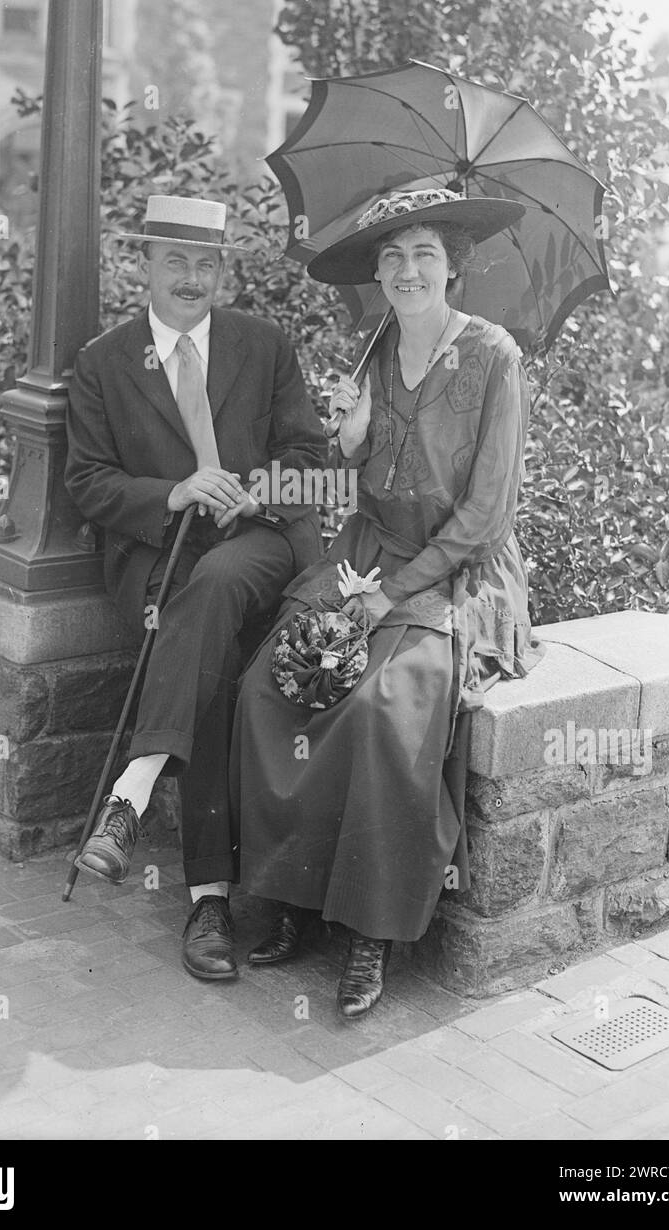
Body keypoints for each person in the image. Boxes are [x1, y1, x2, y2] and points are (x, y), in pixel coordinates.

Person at [229, 186, 544, 1017]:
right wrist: (352, 436)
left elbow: (486, 514)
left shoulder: (492, 357)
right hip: (365, 549)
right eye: (392, 257)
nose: (406, 270)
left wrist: (390, 597)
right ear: (378, 272)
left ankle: (370, 928)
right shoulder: (370, 353)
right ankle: (293, 897)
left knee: (380, 709)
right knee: (272, 685)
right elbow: (355, 482)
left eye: (424, 255)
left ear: (454, 269)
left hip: (453, 567)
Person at [64, 195, 326, 981]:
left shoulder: (263, 345)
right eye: (173, 261)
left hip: (261, 540)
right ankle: (210, 901)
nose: (189, 278)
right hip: (164, 555)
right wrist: (173, 493)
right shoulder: (102, 362)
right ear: (142, 265)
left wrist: (255, 491)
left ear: (222, 271)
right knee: (205, 651)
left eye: (205, 263)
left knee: (212, 587)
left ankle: (132, 792)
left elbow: (310, 459)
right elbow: (87, 482)